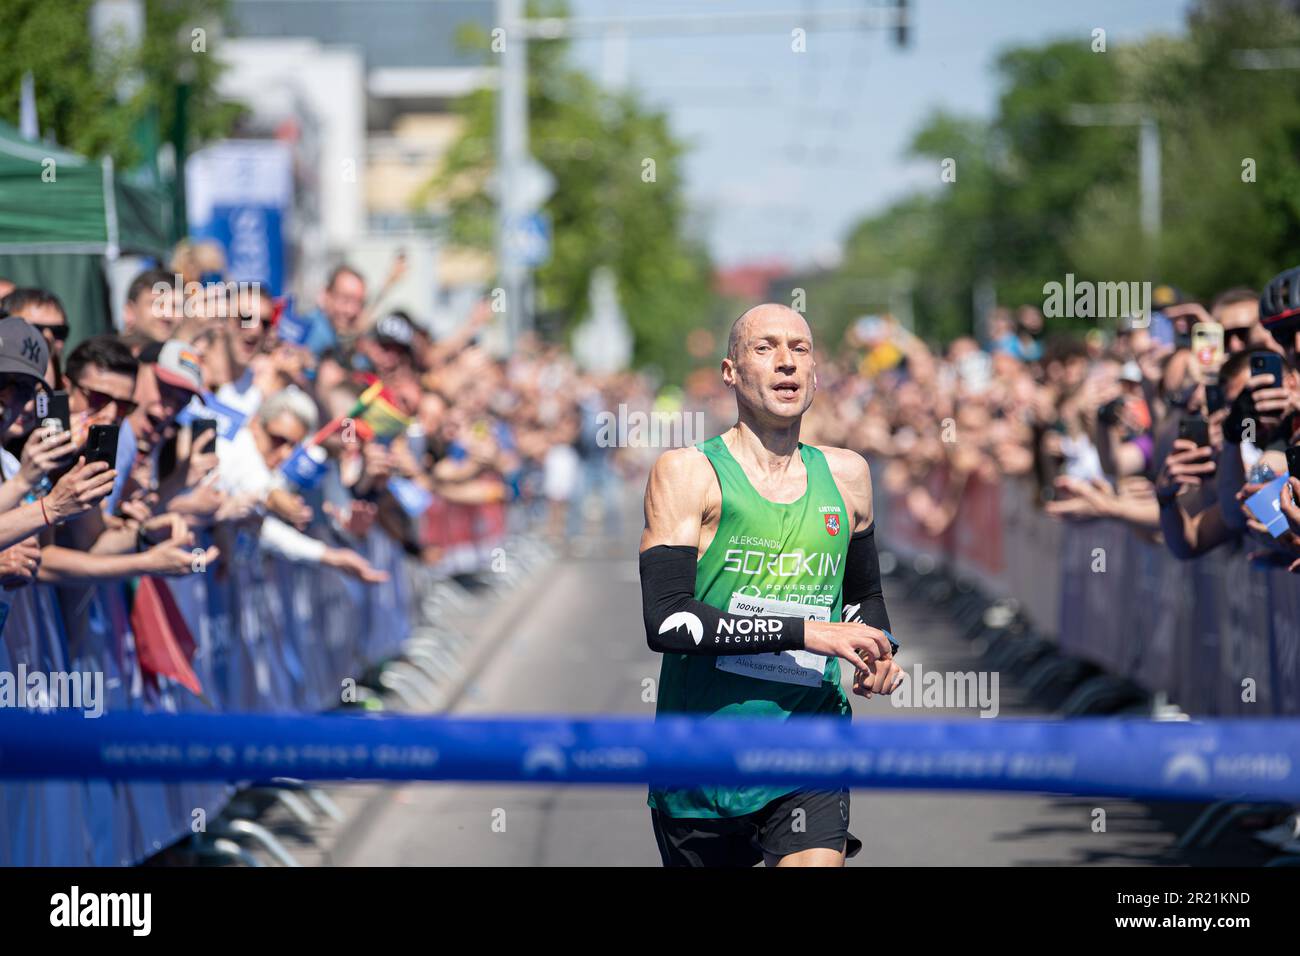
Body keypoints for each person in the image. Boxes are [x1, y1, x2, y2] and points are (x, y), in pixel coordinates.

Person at [639, 303, 903, 868]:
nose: (786, 362)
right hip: (702, 760)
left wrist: (878, 646)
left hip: (810, 747)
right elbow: (666, 621)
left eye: (799, 349)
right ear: (731, 371)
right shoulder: (688, 472)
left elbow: (861, 598)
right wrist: (807, 633)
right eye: (766, 348)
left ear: (816, 375)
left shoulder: (848, 475)